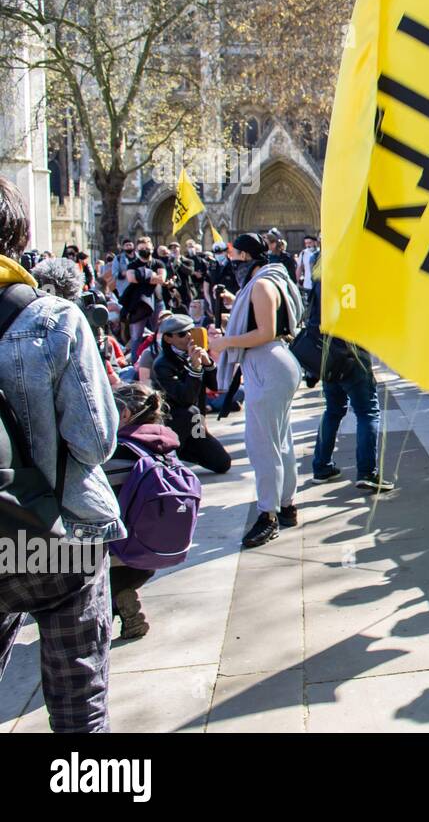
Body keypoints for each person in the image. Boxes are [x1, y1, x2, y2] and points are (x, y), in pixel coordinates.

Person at [0, 176, 122, 733]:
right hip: (54, 538)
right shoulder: (52, 319)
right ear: (21, 234)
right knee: (79, 706)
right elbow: (96, 442)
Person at [210, 233, 304, 548]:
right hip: (273, 364)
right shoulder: (269, 279)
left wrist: (225, 342)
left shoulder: (262, 285)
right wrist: (231, 305)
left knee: (263, 445)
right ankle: (287, 505)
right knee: (281, 441)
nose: (231, 262)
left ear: (249, 257)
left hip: (268, 364)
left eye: (236, 256)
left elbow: (265, 332)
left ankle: (269, 515)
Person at [306, 252, 392, 492]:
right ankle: (367, 472)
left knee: (333, 410)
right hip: (352, 354)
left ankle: (322, 465)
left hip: (328, 354)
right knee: (367, 412)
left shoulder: (320, 272)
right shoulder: (355, 271)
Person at [100, 383, 179, 639]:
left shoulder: (116, 455)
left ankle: (115, 600)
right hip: (154, 551)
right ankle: (116, 602)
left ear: (124, 414)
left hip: (119, 559)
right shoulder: (164, 447)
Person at [151, 312, 232, 475]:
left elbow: (217, 386)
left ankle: (183, 451)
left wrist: (208, 363)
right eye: (182, 334)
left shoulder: (194, 353)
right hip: (173, 424)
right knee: (190, 412)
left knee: (222, 463)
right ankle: (166, 455)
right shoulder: (162, 365)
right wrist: (194, 369)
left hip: (195, 424)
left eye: (190, 331)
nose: (188, 336)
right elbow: (186, 399)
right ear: (168, 339)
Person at [297, 234, 319, 305]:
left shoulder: (320, 252)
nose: (308, 245)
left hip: (319, 284)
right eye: (306, 243)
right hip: (307, 285)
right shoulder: (303, 253)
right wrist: (297, 281)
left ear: (315, 242)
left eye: (310, 243)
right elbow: (299, 268)